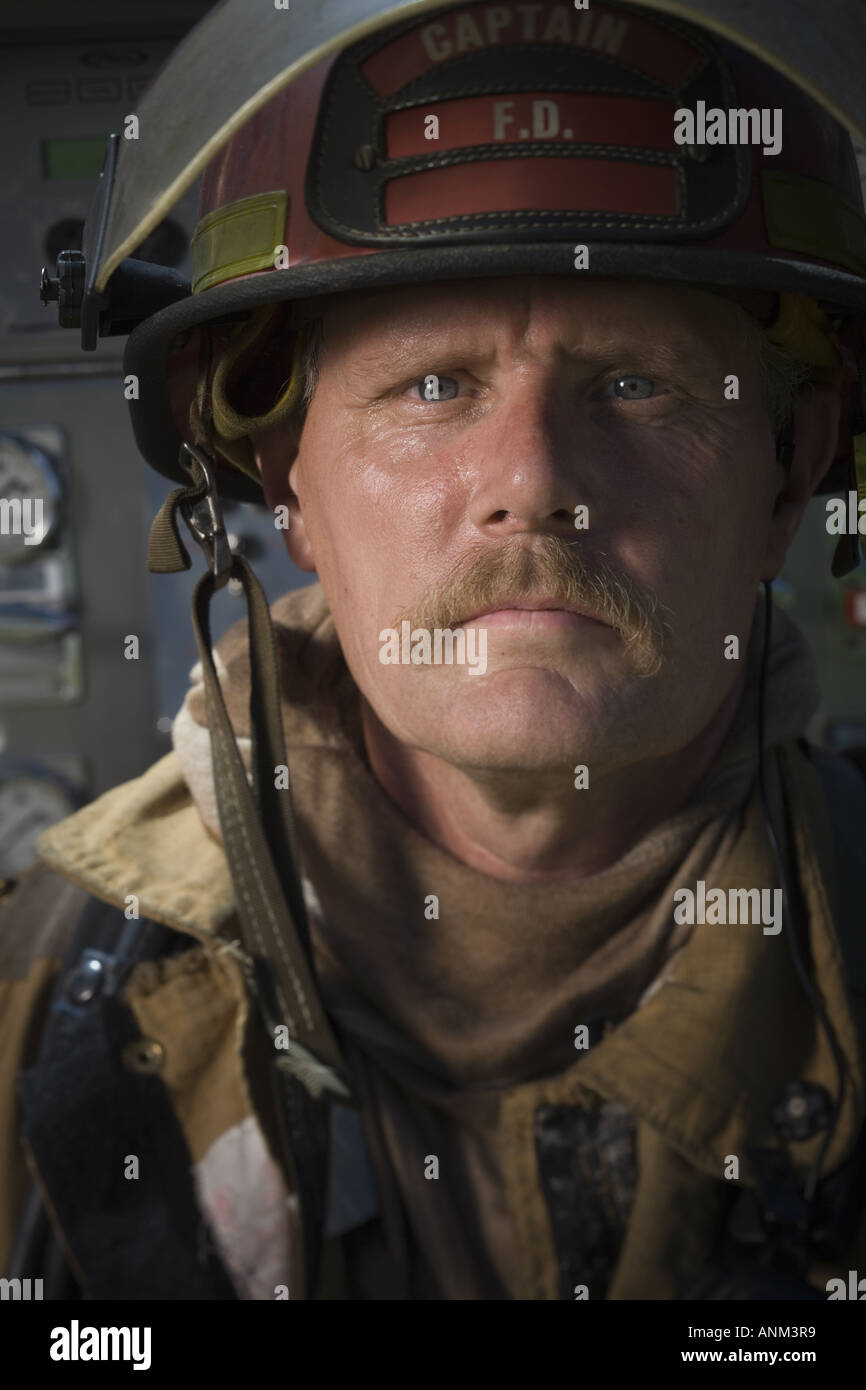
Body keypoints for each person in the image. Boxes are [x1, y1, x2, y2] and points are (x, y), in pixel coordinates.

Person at [3, 0, 866, 1301]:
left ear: (786, 478)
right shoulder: (40, 985)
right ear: (281, 482)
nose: (529, 481)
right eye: (430, 385)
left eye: (634, 382)